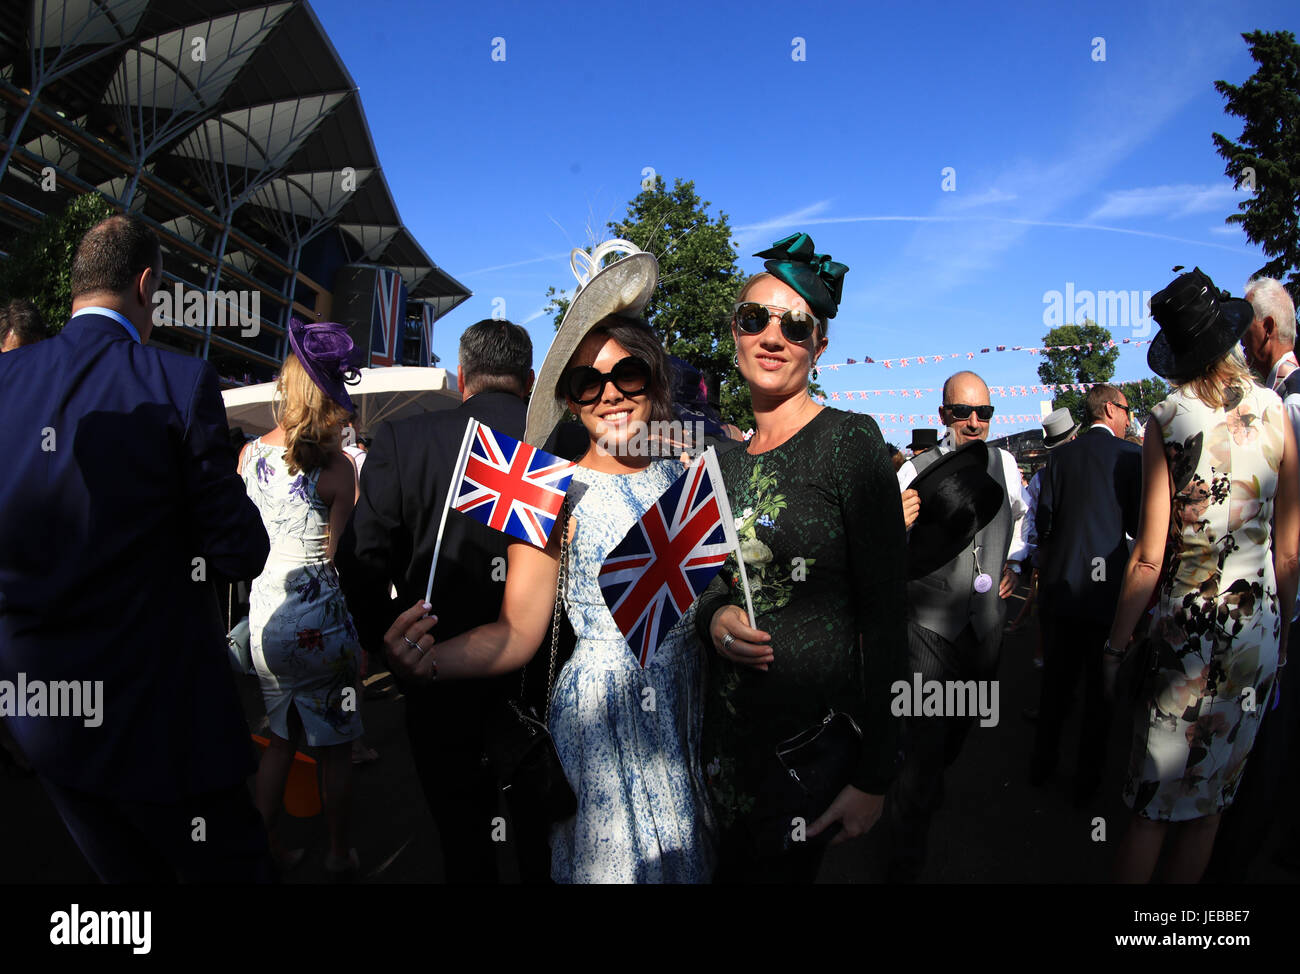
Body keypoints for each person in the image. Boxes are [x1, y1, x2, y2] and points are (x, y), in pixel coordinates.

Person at [382, 242, 716, 883]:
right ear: (568, 397)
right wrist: (424, 662)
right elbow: (516, 633)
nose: (610, 395)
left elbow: (709, 598)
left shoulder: (690, 477)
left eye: (628, 375)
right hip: (599, 725)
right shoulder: (545, 488)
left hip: (682, 716)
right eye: (588, 382)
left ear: (654, 376)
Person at [0, 214, 273, 882]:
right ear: (148, 284)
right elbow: (238, 550)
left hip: (42, 716)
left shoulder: (7, 379)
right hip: (160, 726)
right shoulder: (178, 382)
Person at [692, 232, 908, 883]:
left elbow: (888, 615)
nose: (772, 336)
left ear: (819, 345)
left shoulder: (849, 442)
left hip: (805, 757)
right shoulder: (721, 462)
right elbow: (703, 584)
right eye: (754, 318)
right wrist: (716, 621)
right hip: (723, 750)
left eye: (795, 324)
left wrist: (876, 776)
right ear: (734, 331)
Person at [336, 318, 553, 883]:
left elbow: (360, 559)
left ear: (462, 377)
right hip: (541, 686)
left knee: (463, 843)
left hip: (434, 672)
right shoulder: (555, 442)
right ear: (529, 379)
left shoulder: (407, 440)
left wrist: (389, 642)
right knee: (543, 840)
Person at [1104, 268, 1298, 884]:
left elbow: (1149, 556)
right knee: (1209, 809)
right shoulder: (1278, 411)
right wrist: (1284, 632)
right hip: (1256, 635)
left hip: (1182, 636)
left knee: (1152, 810)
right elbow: (1289, 554)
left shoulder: (1167, 416)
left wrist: (1114, 644)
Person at [889, 369, 1029, 882]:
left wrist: (1011, 562)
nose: (975, 422)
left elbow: (1017, 518)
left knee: (957, 733)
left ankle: (928, 773)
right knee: (923, 748)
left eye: (984, 413)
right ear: (942, 415)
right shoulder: (913, 471)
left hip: (985, 626)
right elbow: (890, 543)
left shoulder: (1007, 463)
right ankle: (902, 860)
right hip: (926, 626)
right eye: (963, 412)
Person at [238, 318, 365, 878]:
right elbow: (333, 550)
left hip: (266, 611)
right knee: (335, 748)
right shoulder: (338, 469)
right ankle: (339, 852)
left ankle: (263, 846)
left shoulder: (246, 456)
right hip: (321, 618)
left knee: (280, 739)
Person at [1205, 275, 1300, 880]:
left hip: (1279, 603)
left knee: (1268, 749)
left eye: (1244, 329)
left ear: (1265, 329)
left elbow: (1288, 527)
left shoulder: (1284, 404)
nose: (1240, 343)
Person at [1030, 386, 1142, 805]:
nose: (1129, 418)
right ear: (1110, 409)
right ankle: (1086, 784)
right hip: (1106, 595)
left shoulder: (1060, 458)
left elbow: (1045, 522)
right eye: (1127, 410)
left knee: (1055, 686)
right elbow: (1136, 527)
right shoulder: (1132, 458)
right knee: (1099, 694)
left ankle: (1041, 766)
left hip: (1061, 590)